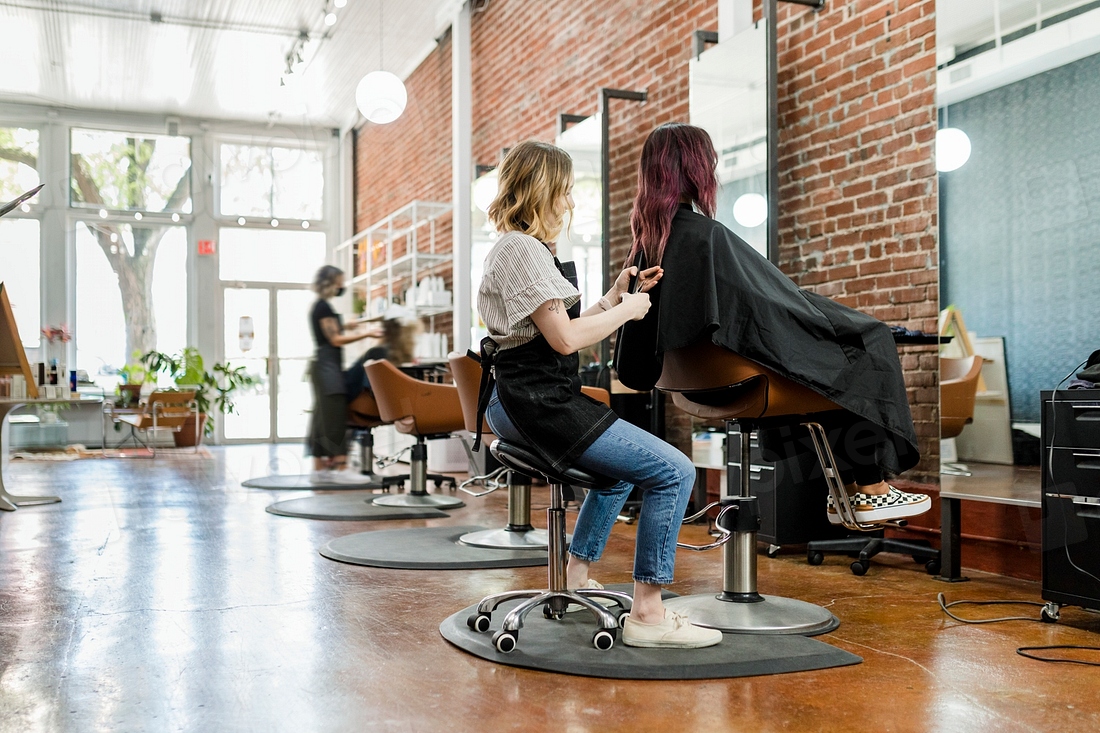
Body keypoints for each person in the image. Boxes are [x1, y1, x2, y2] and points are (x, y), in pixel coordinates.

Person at [618, 123, 930, 524]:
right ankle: (870, 489)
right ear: (697, 169)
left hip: (699, 385)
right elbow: (774, 308)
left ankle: (853, 493)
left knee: (826, 368)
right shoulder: (707, 237)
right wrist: (845, 323)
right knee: (858, 352)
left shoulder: (645, 246)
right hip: (744, 381)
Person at [477, 140, 723, 649]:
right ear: (543, 190)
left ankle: (575, 574)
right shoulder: (519, 250)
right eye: (564, 190)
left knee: (615, 475)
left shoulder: (526, 250)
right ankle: (649, 615)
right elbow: (565, 340)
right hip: (536, 402)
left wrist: (615, 297)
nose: (568, 201)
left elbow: (555, 329)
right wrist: (629, 313)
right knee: (675, 470)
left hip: (531, 396)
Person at [308, 265, 379, 483]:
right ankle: (341, 468)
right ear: (330, 282)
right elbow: (335, 339)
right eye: (340, 281)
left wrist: (356, 324)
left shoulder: (323, 307)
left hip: (325, 367)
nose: (342, 285)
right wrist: (367, 333)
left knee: (323, 417)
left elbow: (335, 329)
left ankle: (320, 468)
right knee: (335, 416)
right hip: (327, 369)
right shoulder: (323, 308)